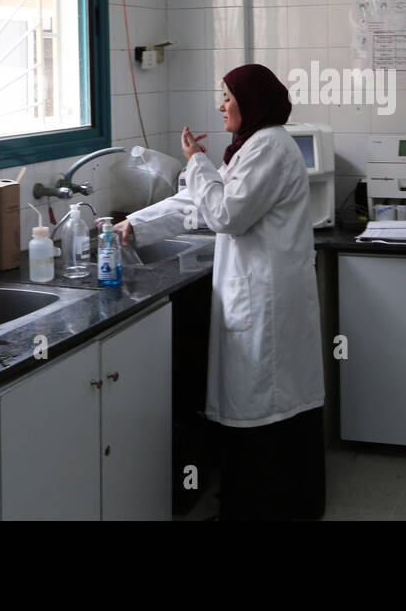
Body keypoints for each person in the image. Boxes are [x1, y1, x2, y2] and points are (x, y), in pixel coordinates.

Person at [114, 64, 326, 520]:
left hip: (266, 297)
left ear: (251, 102)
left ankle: (264, 507)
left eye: (227, 96)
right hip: (258, 292)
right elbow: (197, 202)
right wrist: (137, 223)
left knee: (266, 401)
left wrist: (196, 162)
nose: (220, 104)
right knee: (260, 399)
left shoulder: (269, 146)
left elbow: (227, 214)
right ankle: (254, 500)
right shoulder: (250, 147)